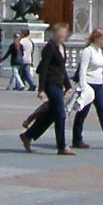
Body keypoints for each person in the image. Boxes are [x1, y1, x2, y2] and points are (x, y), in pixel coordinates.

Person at [20, 22, 74, 156]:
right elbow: (43, 68)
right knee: (61, 114)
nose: (62, 35)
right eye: (60, 33)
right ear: (55, 33)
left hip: (59, 83)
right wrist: (41, 89)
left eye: (64, 33)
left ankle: (28, 135)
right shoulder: (49, 47)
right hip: (50, 84)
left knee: (51, 115)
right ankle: (61, 146)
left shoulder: (62, 46)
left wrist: (68, 85)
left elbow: (62, 68)